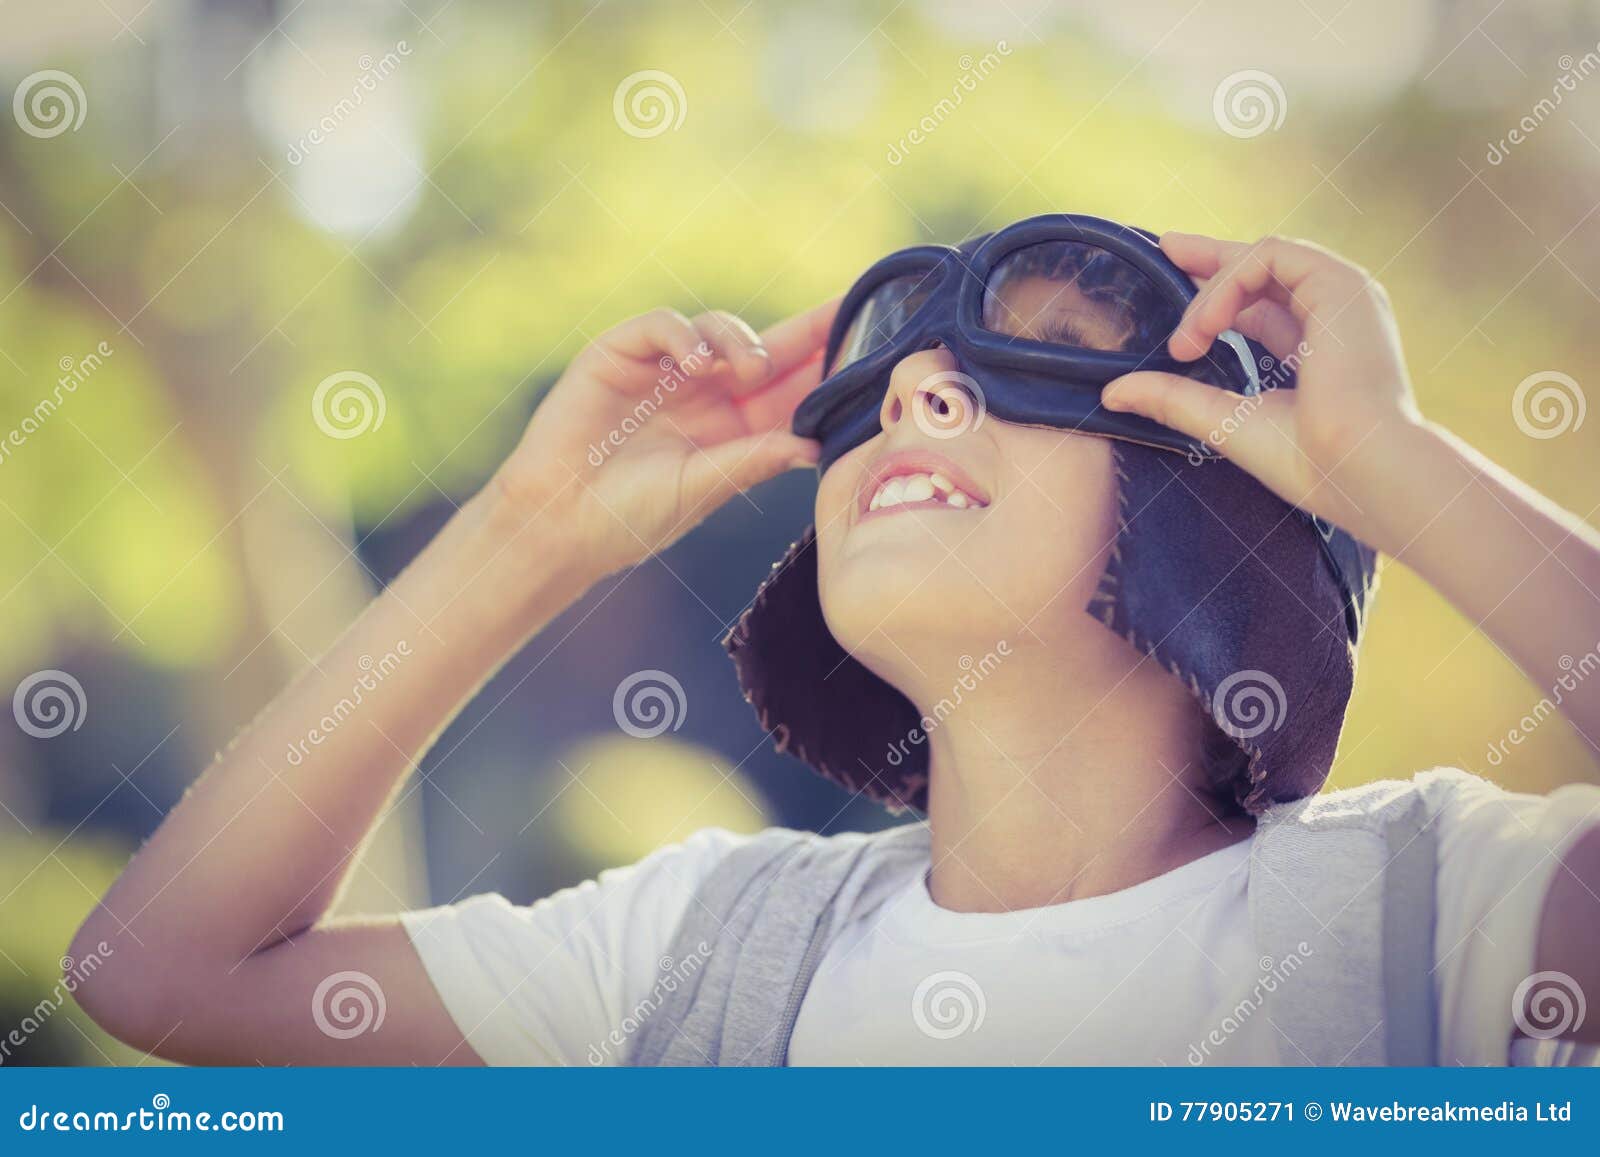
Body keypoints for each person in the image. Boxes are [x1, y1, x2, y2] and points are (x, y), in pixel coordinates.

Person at [68, 223, 1600, 1066]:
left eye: (1045, 359)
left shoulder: (1438, 917)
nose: (921, 388)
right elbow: (162, 970)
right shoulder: (700, 954)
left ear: (1233, 521)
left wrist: (1385, 462)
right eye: (888, 371)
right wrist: (525, 535)